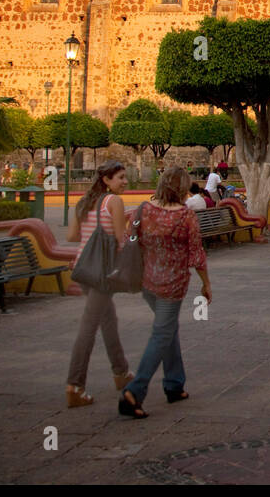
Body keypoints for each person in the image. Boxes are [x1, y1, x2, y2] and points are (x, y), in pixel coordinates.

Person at [119, 165, 212, 419]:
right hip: (172, 285)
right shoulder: (185, 216)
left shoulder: (143, 210)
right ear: (183, 189)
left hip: (148, 282)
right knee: (162, 333)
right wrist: (206, 284)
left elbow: (129, 238)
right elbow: (196, 255)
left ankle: (174, 383)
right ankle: (135, 390)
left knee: (167, 329)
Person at [65, 162, 133, 410]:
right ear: (106, 180)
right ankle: (75, 385)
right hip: (102, 273)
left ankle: (121, 372)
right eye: (120, 177)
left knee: (108, 320)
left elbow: (72, 236)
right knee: (89, 327)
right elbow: (121, 240)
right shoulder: (113, 202)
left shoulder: (84, 202)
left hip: (84, 269)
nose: (124, 182)